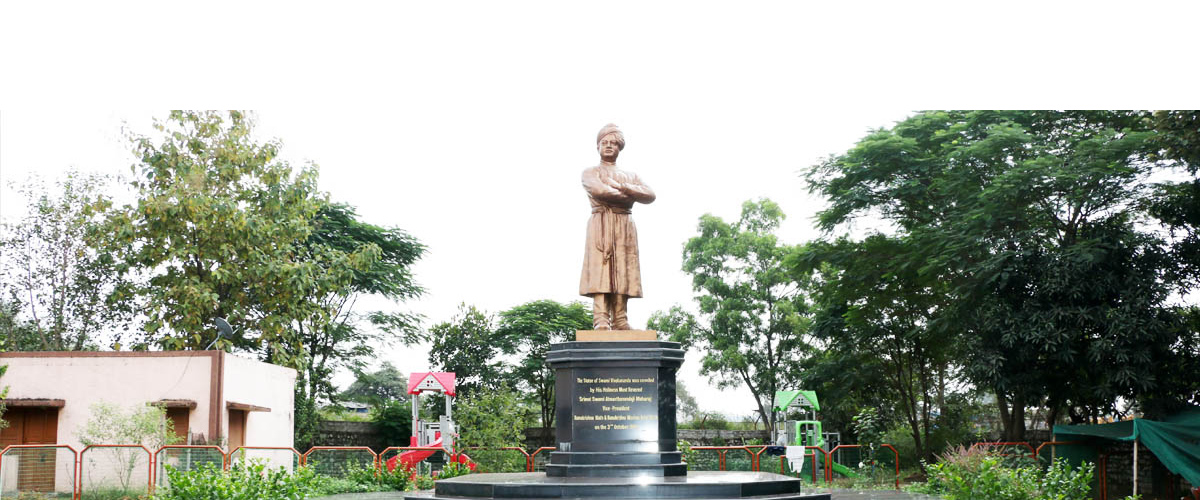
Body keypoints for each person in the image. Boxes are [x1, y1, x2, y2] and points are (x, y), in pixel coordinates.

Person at [579, 124, 655, 330]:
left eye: (613, 143)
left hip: (625, 225)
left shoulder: (631, 175)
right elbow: (600, 191)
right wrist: (630, 196)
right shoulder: (590, 172)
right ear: (598, 146)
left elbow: (649, 195)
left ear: (620, 147)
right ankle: (601, 319)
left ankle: (621, 319)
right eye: (605, 143)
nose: (609, 146)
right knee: (601, 271)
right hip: (601, 223)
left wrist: (625, 187)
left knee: (624, 270)